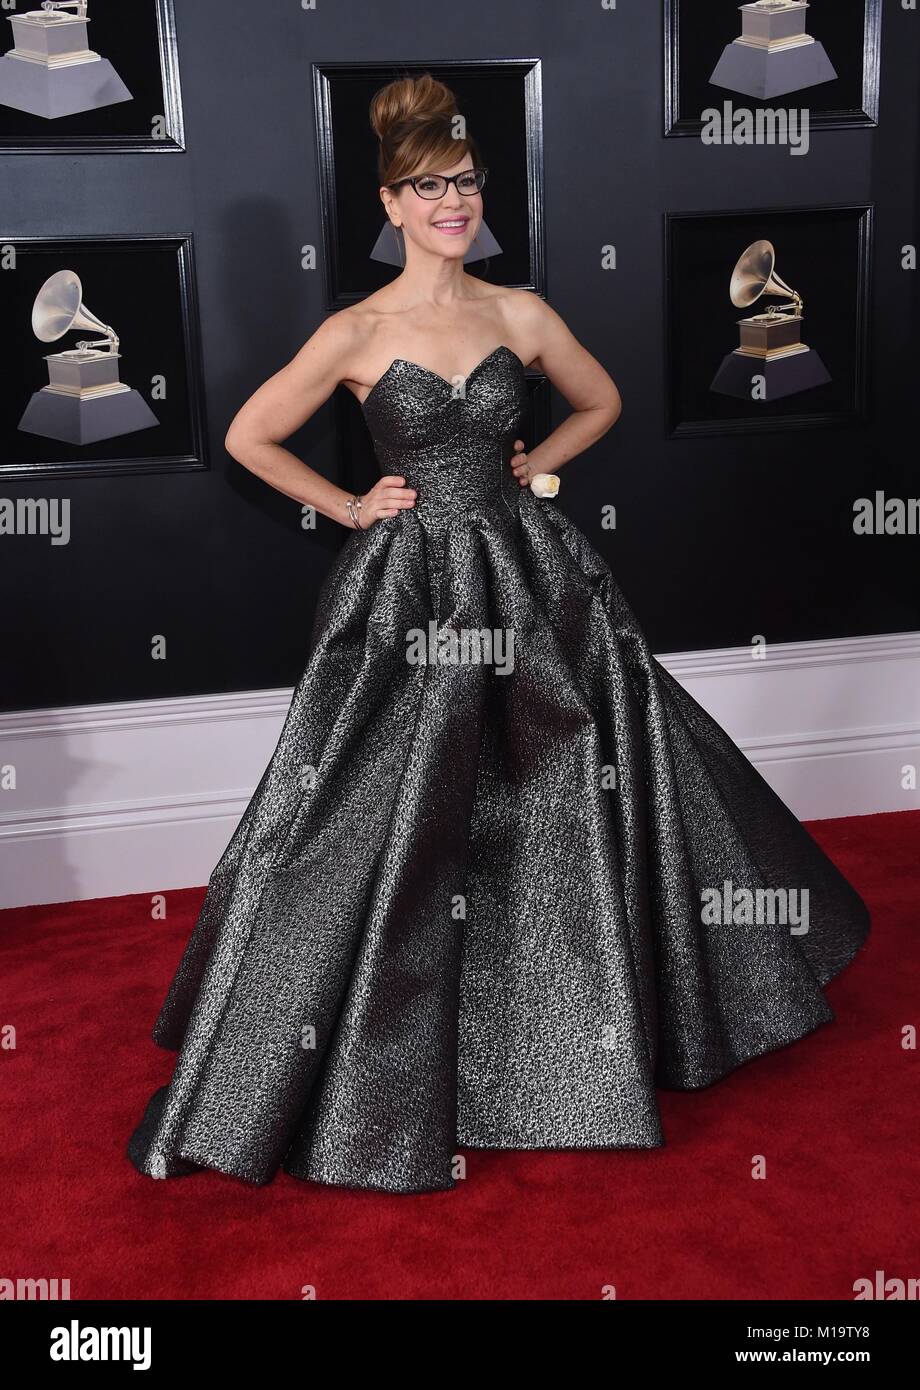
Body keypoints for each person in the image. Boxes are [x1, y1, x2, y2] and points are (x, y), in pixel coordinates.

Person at [127, 72, 870, 1194]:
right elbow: (248, 435)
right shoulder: (354, 329)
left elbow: (599, 400)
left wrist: (545, 464)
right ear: (388, 203)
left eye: (465, 182)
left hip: (532, 572)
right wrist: (346, 504)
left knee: (571, 784)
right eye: (427, 187)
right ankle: (352, 1045)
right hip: (415, 587)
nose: (451, 203)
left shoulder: (519, 311)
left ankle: (593, 1028)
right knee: (384, 809)